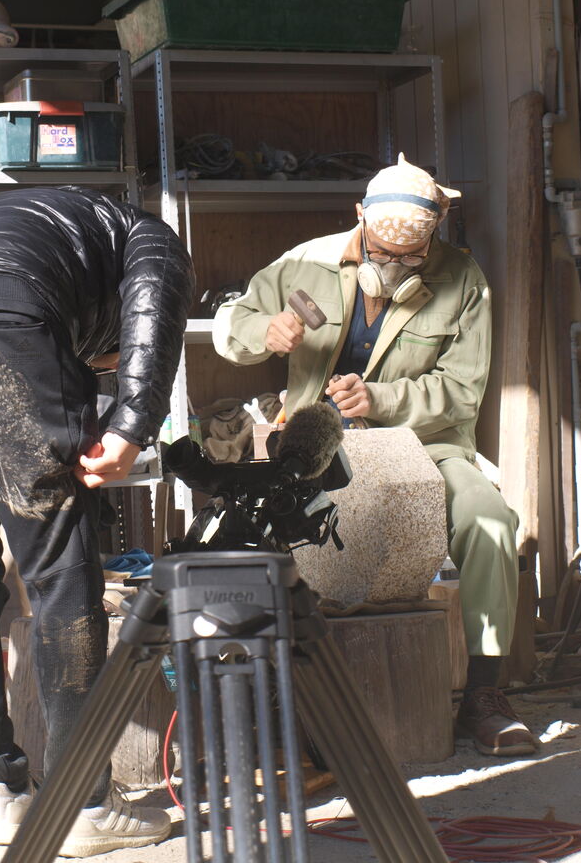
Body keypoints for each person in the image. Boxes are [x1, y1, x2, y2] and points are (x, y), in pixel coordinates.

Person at [0, 186, 195, 855]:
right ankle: (84, 804)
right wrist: (131, 421)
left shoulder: (48, 225)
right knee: (61, 574)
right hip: (4, 320)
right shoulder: (152, 238)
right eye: (97, 359)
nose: (94, 367)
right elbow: (154, 321)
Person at [213, 154, 538, 758]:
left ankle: (486, 695)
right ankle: (274, 700)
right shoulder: (306, 261)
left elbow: (462, 391)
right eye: (381, 253)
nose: (392, 266)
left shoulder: (463, 281)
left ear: (435, 231)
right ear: (359, 216)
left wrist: (380, 398)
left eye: (409, 258)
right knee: (262, 540)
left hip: (425, 444)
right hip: (315, 444)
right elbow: (231, 319)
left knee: (490, 522)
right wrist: (264, 333)